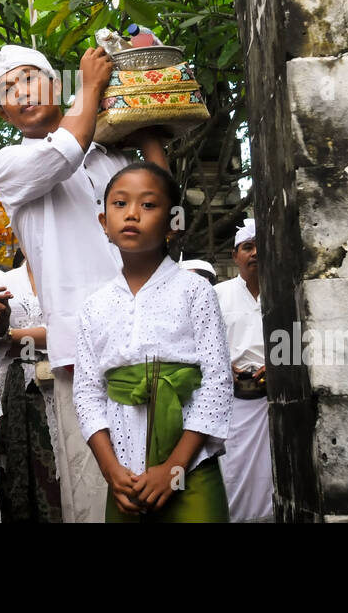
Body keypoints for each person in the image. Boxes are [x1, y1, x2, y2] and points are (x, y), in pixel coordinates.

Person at [0, 43, 167, 522]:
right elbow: (66, 150)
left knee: (163, 479)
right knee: (95, 490)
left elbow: (163, 216)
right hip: (83, 352)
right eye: (8, 89)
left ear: (54, 84)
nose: (21, 93)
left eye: (30, 78)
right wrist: (91, 88)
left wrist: (148, 136)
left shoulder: (111, 158)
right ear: (2, 110)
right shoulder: (9, 165)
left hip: (152, 338)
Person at [74, 162, 233, 523]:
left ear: (173, 222)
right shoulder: (93, 307)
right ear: (104, 224)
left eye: (148, 205)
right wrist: (110, 469)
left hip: (190, 466)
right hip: (124, 475)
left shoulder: (195, 292)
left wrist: (174, 467)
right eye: (119, 204)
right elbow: (87, 393)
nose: (132, 214)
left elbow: (217, 383)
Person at [0, 254, 63, 523]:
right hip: (14, 388)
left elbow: (69, 330)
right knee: (14, 471)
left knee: (55, 475)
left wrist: (11, 336)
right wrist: (1, 331)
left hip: (59, 385)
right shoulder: (4, 280)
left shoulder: (68, 278)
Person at [213, 219, 275, 522]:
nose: (254, 253)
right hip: (232, 401)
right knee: (234, 469)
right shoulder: (218, 295)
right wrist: (226, 367)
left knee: (272, 469)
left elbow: (296, 339)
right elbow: (204, 344)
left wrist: (277, 367)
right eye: (247, 247)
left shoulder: (283, 291)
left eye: (259, 247)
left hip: (272, 400)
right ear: (235, 255)